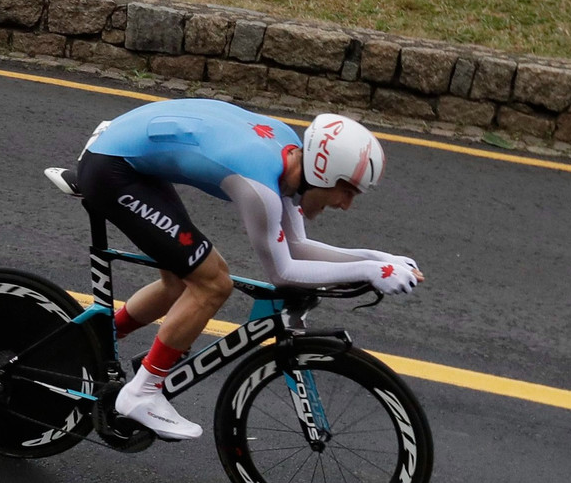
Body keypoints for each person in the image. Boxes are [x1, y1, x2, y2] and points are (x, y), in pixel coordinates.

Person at [69, 100, 424, 442]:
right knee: (212, 284)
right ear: (323, 173)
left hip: (124, 152)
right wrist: (370, 271)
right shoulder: (260, 188)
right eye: (346, 192)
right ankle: (141, 393)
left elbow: (298, 247)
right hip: (112, 168)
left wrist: (378, 261)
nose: (345, 206)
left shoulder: (292, 155)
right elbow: (283, 272)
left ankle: (87, 346)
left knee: (179, 283)